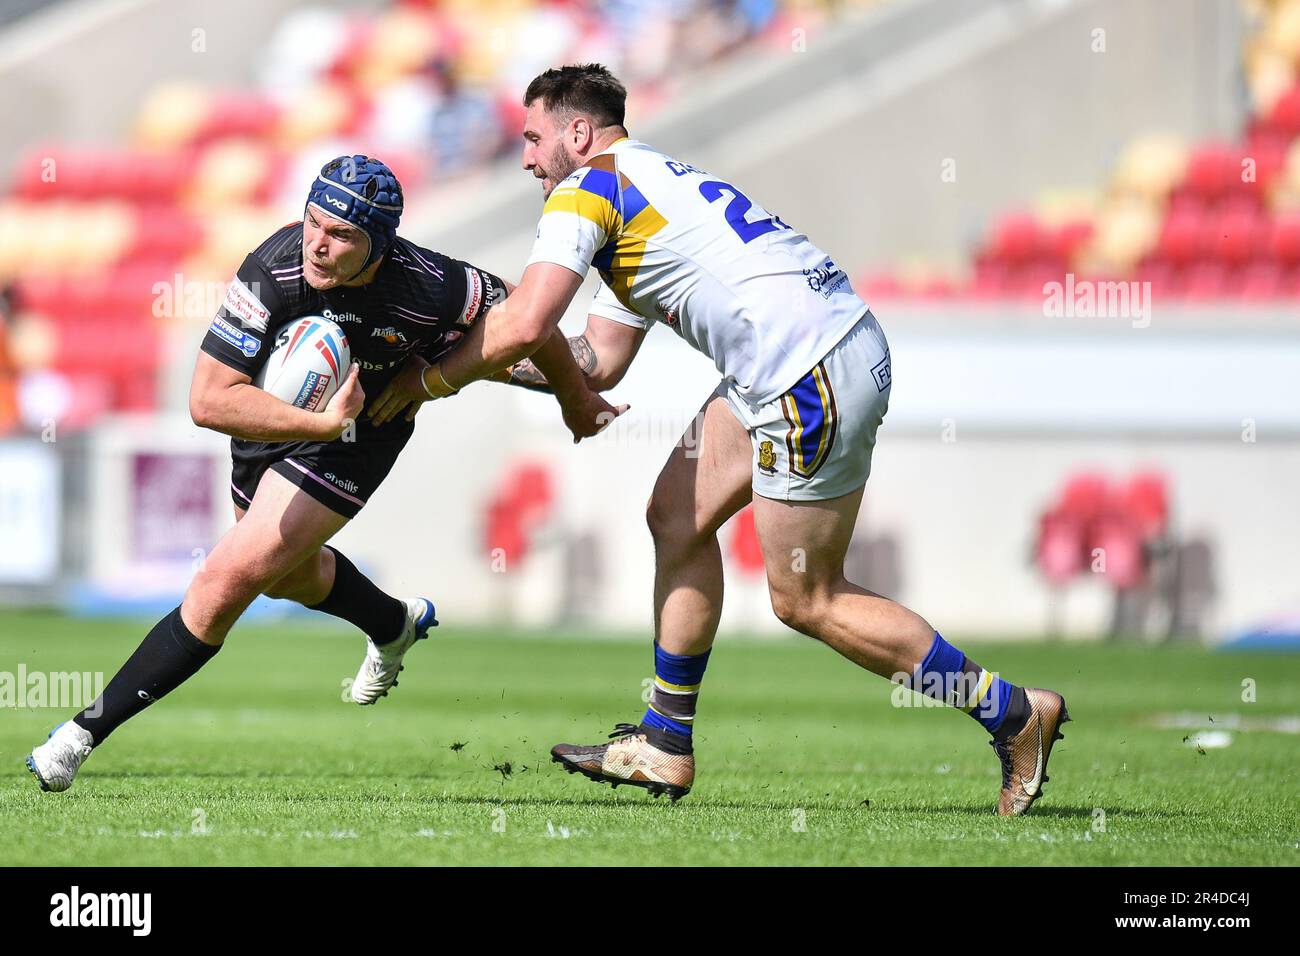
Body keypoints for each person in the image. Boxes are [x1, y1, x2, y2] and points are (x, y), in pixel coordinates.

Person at [421, 66, 1070, 815]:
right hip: (811, 356)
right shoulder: (643, 187)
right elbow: (596, 360)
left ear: (578, 132)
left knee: (807, 599)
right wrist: (490, 370)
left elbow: (529, 323)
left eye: (534, 139)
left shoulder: (587, 188)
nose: (528, 159)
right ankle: (665, 742)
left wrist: (431, 373)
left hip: (804, 373)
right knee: (676, 516)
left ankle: (1013, 713)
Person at [26, 154, 607, 793]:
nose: (318, 245)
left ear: (380, 246)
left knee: (224, 581)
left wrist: (570, 394)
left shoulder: (433, 284)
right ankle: (392, 622)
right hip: (277, 420)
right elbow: (209, 401)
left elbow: (526, 321)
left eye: (341, 236)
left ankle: (77, 737)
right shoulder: (273, 270)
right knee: (285, 578)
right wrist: (318, 424)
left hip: (366, 428)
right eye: (312, 223)